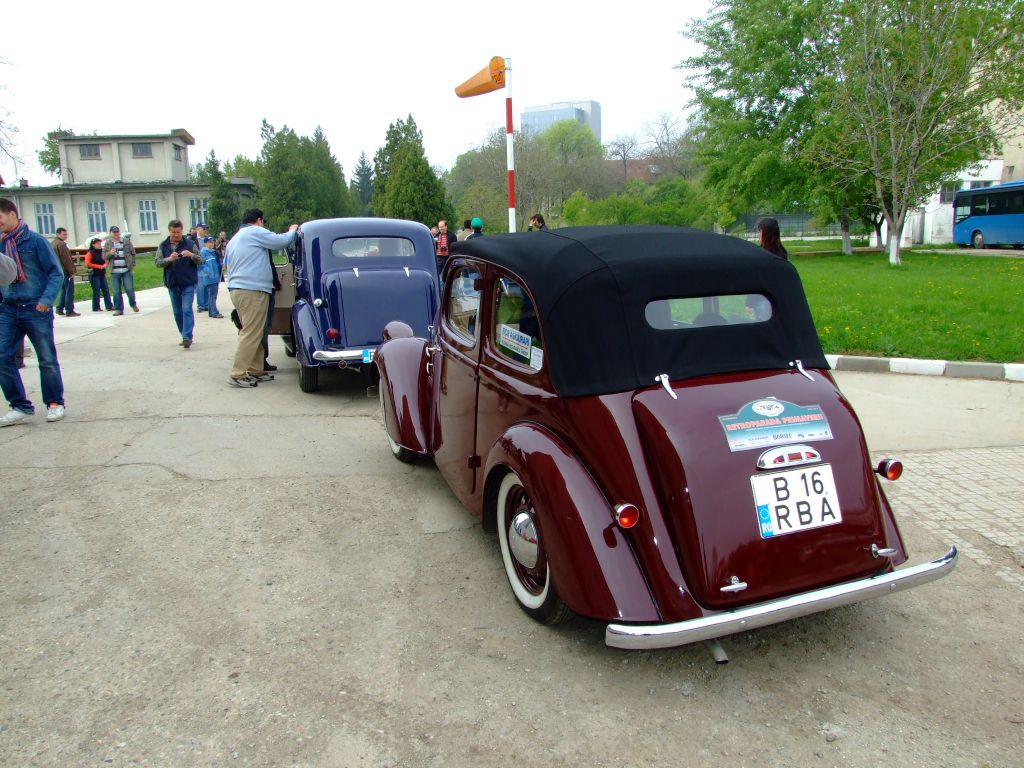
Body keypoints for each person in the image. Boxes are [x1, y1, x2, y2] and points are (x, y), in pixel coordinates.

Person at [0, 198, 67, 425]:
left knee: (46, 359)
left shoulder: (35, 241)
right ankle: (19, 406)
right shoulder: (0, 244)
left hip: (35, 309)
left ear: (12, 214)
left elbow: (56, 272)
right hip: (8, 309)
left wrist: (46, 300)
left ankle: (55, 403)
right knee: (2, 356)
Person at [225, 208, 298, 388]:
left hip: (240, 289)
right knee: (250, 332)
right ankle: (238, 373)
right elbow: (281, 241)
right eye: (263, 222)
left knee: (255, 331)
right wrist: (293, 230)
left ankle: (255, 369)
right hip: (252, 290)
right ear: (259, 220)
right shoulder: (254, 232)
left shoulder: (236, 238)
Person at [154, 219, 202, 348]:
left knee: (186, 309)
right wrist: (169, 259)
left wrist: (191, 255)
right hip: (172, 283)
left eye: (178, 232)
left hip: (188, 282)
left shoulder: (190, 243)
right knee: (177, 312)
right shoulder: (163, 245)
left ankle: (187, 336)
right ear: (169, 231)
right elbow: (157, 262)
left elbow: (201, 260)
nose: (176, 235)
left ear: (182, 231)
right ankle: (184, 334)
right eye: (173, 232)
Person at [103, 225, 139, 315]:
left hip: (126, 270)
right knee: (116, 291)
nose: (116, 234)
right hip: (114, 271)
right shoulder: (108, 243)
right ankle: (119, 309)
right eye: (114, 232)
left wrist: (132, 265)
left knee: (129, 289)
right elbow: (104, 256)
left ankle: (133, 303)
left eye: (117, 232)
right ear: (110, 233)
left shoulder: (126, 242)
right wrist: (110, 253)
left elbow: (133, 253)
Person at [51, 227, 80, 316]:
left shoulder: (52, 243)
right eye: (64, 234)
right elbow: (66, 259)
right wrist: (71, 271)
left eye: (66, 234)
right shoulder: (62, 244)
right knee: (69, 291)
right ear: (58, 234)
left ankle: (59, 308)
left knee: (64, 290)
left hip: (57, 271)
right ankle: (69, 310)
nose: (66, 236)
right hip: (65, 271)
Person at [84, 238, 114, 312]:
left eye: (100, 243)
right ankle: (96, 307)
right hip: (94, 274)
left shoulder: (102, 252)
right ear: (93, 244)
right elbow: (87, 263)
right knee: (96, 291)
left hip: (102, 273)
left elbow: (106, 259)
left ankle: (109, 306)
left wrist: (105, 264)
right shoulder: (90, 253)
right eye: (97, 243)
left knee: (106, 290)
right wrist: (98, 266)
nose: (99, 245)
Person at [199, 236, 224, 318]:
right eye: (209, 242)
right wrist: (207, 273)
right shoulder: (203, 252)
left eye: (212, 242)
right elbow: (201, 265)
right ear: (205, 243)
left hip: (215, 277)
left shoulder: (213, 252)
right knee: (212, 295)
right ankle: (214, 312)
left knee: (213, 295)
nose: (212, 243)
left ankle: (211, 311)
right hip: (209, 277)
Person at [193, 222, 210, 311]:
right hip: (198, 265)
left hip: (207, 264)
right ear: (198, 229)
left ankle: (207, 304)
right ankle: (200, 305)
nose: (205, 230)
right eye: (203, 228)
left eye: (206, 228)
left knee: (207, 284)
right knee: (200, 286)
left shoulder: (208, 239)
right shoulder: (193, 239)